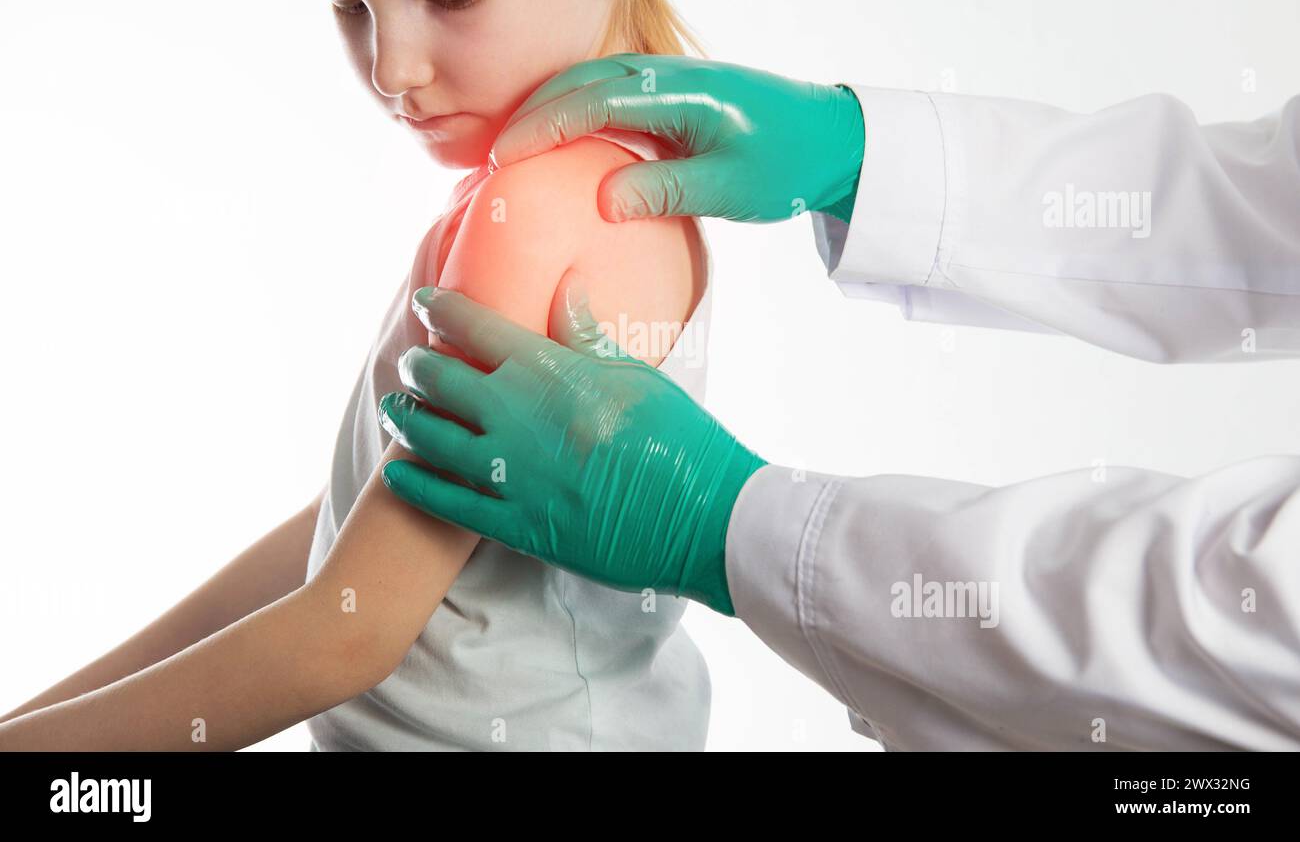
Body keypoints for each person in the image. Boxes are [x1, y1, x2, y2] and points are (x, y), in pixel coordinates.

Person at [380, 54, 1300, 750]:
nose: (390, 69)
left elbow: (1232, 628)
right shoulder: (484, 215)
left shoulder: (542, 212)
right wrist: (869, 159)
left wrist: (731, 527)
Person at [0, 0, 714, 751]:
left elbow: (347, 634)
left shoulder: (543, 209)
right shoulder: (597, 179)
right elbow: (341, 551)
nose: (391, 69)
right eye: (348, 4)